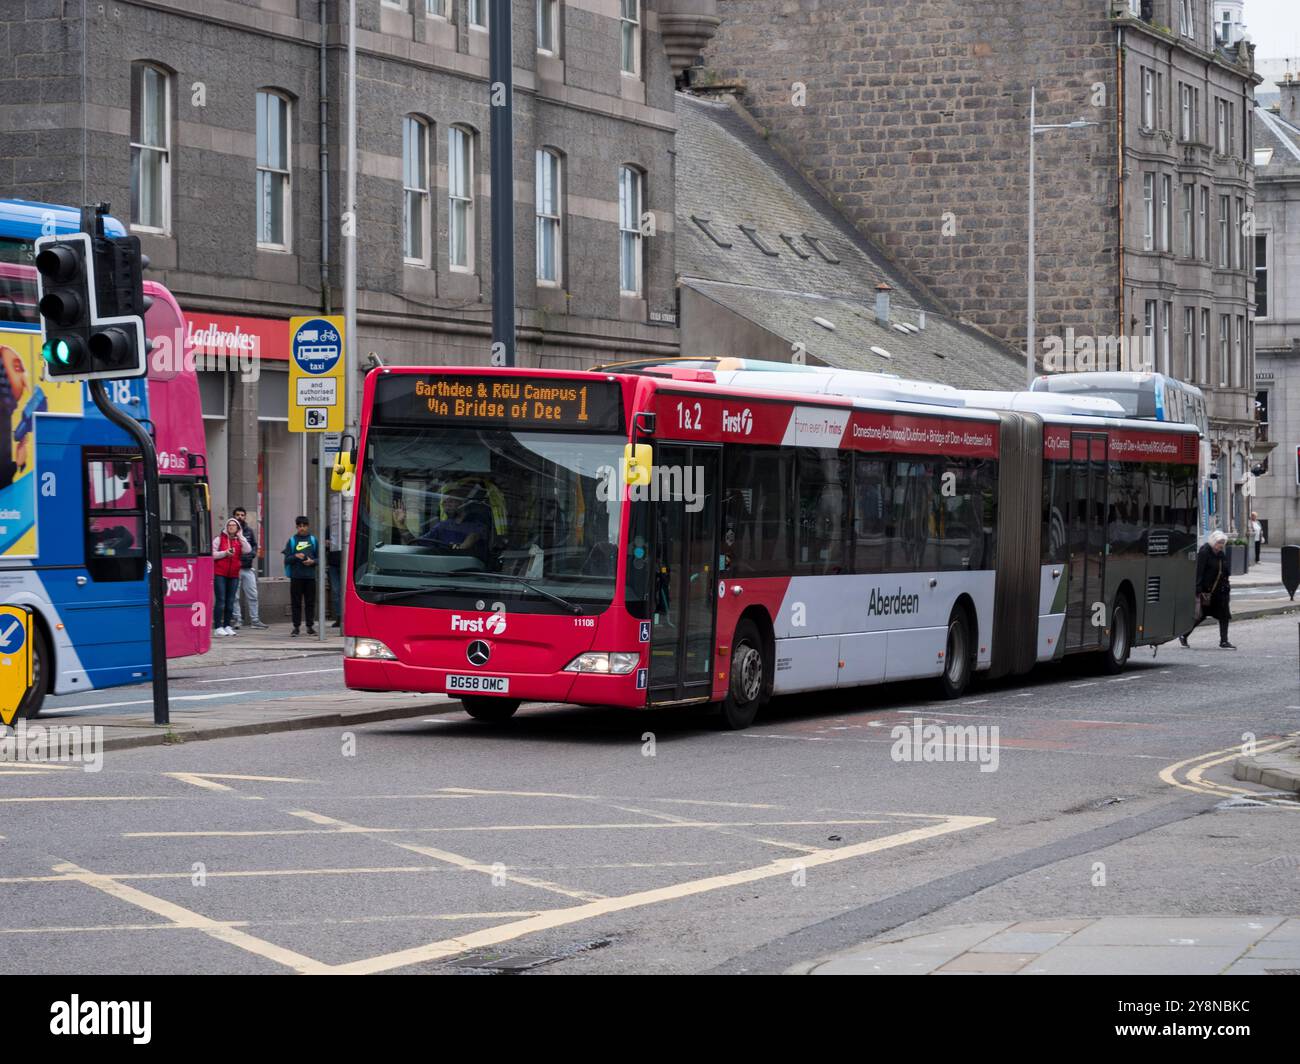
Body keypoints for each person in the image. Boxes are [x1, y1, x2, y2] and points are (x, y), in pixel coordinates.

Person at [1181, 530, 1234, 650]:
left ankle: (1224, 641)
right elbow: (1199, 571)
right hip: (1207, 591)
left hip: (1221, 591)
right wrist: (1198, 588)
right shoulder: (1205, 552)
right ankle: (1184, 634)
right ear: (1213, 542)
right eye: (1219, 542)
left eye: (1223, 542)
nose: (1221, 545)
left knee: (1224, 615)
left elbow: (1225, 570)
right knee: (1201, 615)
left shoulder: (1221, 554)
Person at [229, 506, 268, 630]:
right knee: (234, 596)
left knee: (253, 595)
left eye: (242, 515)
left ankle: (255, 620)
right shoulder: (229, 531)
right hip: (234, 568)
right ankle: (237, 620)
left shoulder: (249, 531)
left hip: (247, 568)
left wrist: (251, 555)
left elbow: (254, 546)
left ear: (245, 516)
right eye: (237, 515)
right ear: (234, 516)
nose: (240, 517)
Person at [212, 517, 250, 636]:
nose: (231, 527)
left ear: (238, 528)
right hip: (220, 574)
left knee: (230, 601)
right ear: (226, 527)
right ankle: (218, 626)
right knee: (221, 600)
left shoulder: (239, 540)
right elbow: (212, 554)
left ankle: (227, 625)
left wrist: (241, 536)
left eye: (234, 525)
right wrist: (225, 553)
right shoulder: (219, 539)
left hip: (233, 574)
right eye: (229, 525)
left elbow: (247, 550)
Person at [281, 516, 318, 637]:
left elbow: (320, 558)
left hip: (310, 577)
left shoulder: (313, 540)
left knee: (310, 602)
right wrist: (295, 556)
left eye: (304, 526)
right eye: (300, 526)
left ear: (308, 526)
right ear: (297, 527)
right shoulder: (292, 541)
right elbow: (286, 559)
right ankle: (296, 627)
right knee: (296, 602)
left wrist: (312, 562)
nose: (302, 528)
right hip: (296, 576)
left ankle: (310, 626)